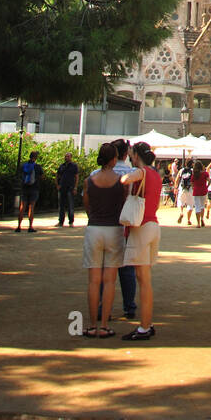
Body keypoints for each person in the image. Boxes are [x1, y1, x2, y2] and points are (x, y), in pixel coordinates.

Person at [119, 141, 163, 341]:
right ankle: (147, 323)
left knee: (143, 280)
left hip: (141, 226)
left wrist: (129, 171)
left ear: (136, 155)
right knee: (146, 280)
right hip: (153, 225)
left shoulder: (143, 172)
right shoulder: (156, 174)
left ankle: (145, 327)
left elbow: (126, 179)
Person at [82, 142, 126, 339]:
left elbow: (87, 206)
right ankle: (106, 325)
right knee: (109, 281)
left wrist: (95, 216)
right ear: (114, 159)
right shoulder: (121, 181)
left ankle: (92, 325)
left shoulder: (89, 181)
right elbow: (124, 205)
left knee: (93, 281)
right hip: (114, 229)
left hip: (94, 228)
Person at [17, 151, 43, 232]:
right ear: (36, 158)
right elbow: (42, 177)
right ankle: (30, 227)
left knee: (22, 207)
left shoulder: (23, 165)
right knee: (31, 207)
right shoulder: (37, 167)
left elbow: (20, 175)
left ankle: (19, 226)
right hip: (34, 188)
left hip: (24, 188)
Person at [56, 152, 79, 227]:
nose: (66, 158)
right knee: (61, 206)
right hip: (62, 187)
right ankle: (61, 221)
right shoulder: (62, 166)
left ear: (71, 157)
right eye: (66, 156)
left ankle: (71, 222)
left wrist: (75, 187)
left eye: (68, 156)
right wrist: (57, 185)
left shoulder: (74, 166)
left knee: (70, 205)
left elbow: (76, 177)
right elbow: (57, 175)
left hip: (70, 187)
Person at [191, 161, 209, 227]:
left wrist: (193, 187)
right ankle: (202, 219)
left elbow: (192, 183)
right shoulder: (205, 174)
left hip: (196, 191)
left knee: (197, 207)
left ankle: (198, 223)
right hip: (203, 190)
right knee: (202, 206)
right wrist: (207, 186)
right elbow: (209, 180)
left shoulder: (194, 174)